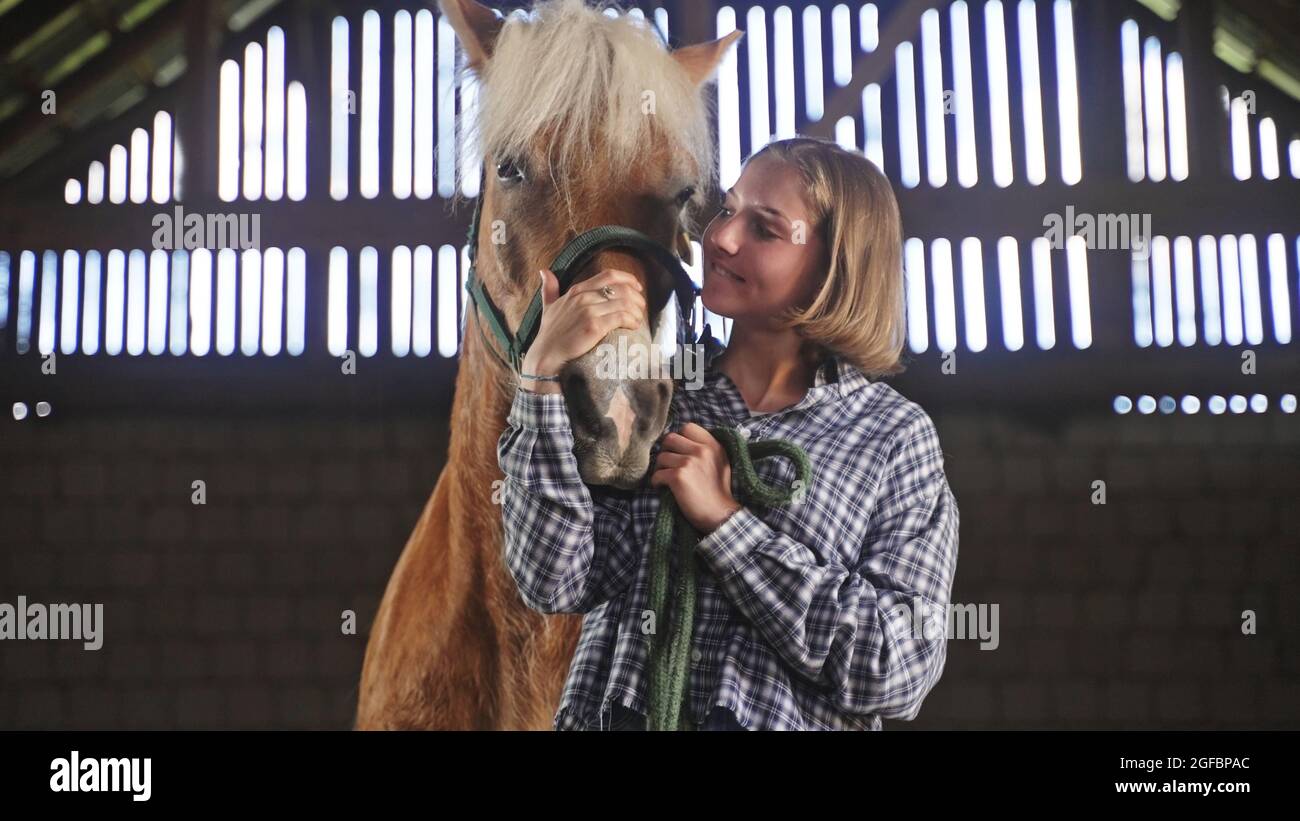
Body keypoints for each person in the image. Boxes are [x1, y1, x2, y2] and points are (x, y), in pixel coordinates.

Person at [496, 135, 959, 731]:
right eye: (728, 208)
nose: (721, 237)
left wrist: (727, 524)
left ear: (834, 265)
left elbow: (897, 668)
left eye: (765, 229)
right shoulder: (657, 395)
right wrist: (540, 383)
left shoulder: (892, 437)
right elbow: (551, 580)